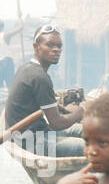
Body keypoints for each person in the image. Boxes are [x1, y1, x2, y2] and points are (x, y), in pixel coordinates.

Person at [5, 24, 86, 157]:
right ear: (36, 47)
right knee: (89, 146)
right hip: (32, 141)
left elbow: (43, 106)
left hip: (36, 133)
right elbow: (56, 123)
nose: (56, 50)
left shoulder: (26, 68)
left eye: (59, 46)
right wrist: (78, 113)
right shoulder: (40, 77)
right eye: (50, 45)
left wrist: (64, 110)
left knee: (85, 130)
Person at [0, 20, 19, 93]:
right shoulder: (7, 35)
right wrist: (20, 18)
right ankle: (10, 98)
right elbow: (21, 28)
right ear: (3, 27)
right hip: (7, 60)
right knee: (10, 83)